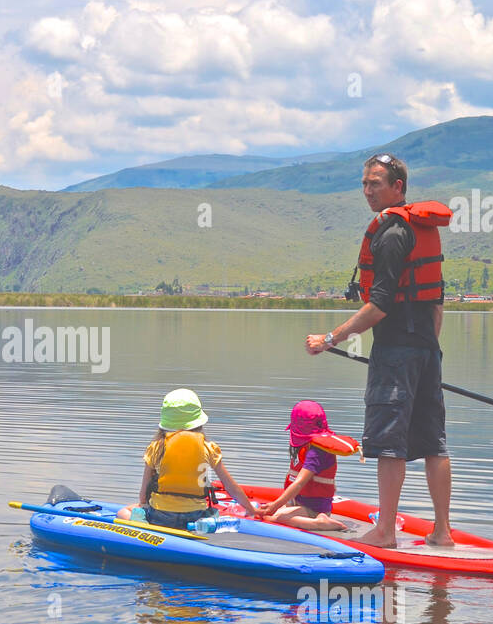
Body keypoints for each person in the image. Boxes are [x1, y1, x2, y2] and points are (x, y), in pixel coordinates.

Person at [304, 153, 455, 547]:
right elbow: (436, 302)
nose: (368, 191)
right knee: (434, 442)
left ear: (398, 187)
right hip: (427, 351)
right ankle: (442, 532)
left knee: (389, 443)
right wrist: (430, 349)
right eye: (365, 184)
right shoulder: (422, 230)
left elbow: (380, 305)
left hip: (396, 354)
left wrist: (329, 340)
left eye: (376, 183)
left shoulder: (391, 235)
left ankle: (385, 531)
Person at [117, 388, 260, 529]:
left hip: (160, 517)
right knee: (213, 513)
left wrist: (144, 507)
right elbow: (231, 487)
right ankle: (204, 526)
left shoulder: (156, 447)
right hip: (196, 516)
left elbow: (143, 496)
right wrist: (250, 509)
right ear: (198, 422)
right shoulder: (208, 448)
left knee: (124, 512)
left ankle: (143, 526)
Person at [258, 400, 355, 532]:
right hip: (302, 504)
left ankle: (321, 522)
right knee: (276, 512)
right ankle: (316, 518)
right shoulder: (309, 447)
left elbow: (299, 483)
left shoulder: (317, 451)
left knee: (277, 517)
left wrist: (275, 505)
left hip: (314, 508)